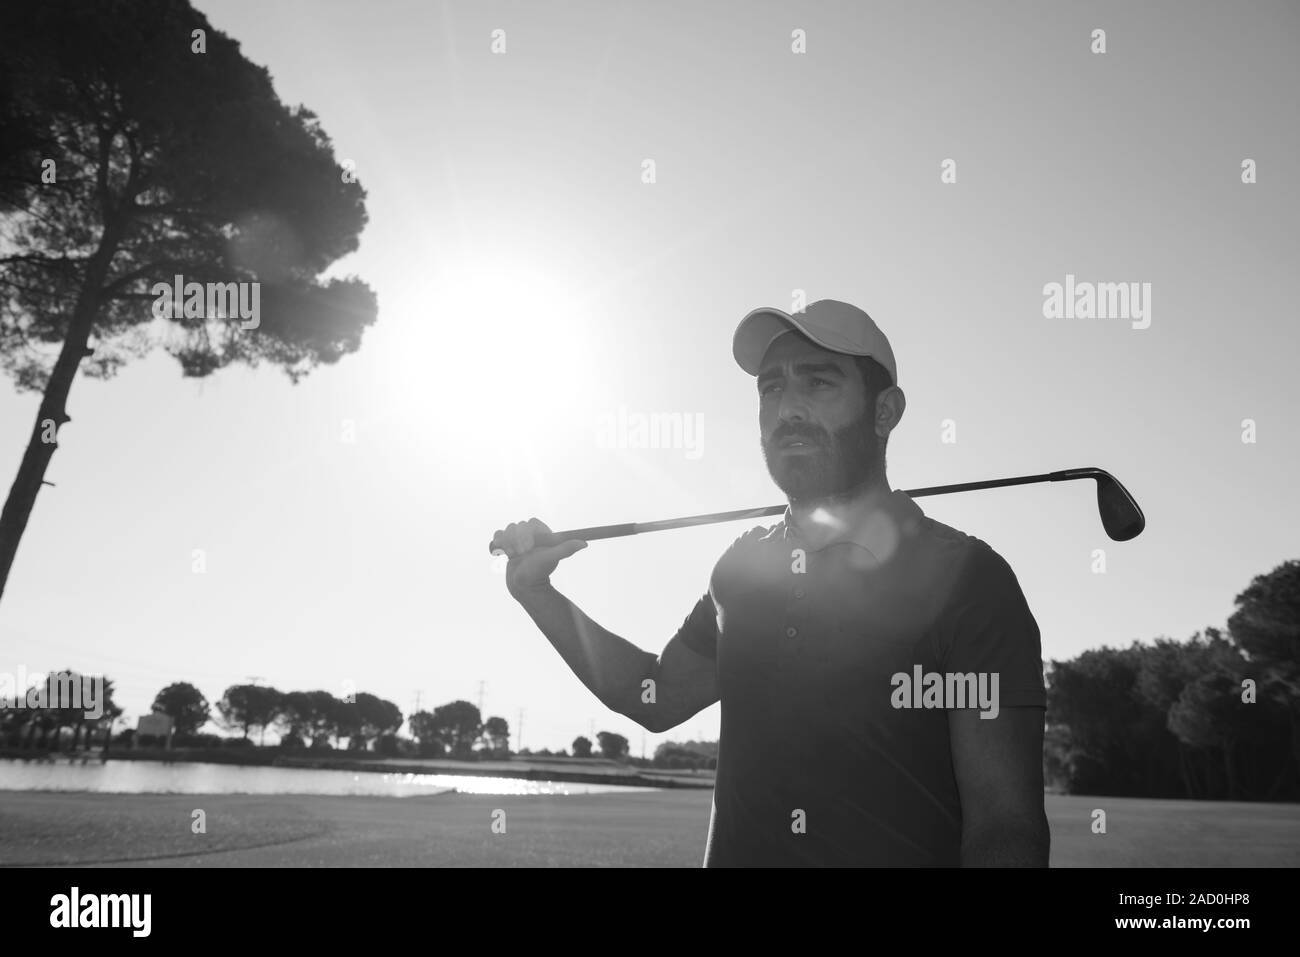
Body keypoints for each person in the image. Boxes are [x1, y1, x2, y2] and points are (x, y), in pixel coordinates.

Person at [490, 299, 1049, 867]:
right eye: (771, 388)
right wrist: (538, 595)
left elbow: (1004, 825)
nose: (788, 409)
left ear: (885, 411)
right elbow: (653, 695)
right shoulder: (741, 568)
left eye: (819, 383)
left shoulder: (968, 579)